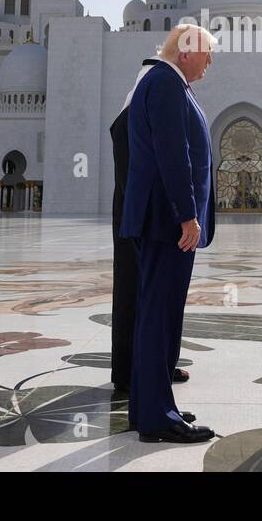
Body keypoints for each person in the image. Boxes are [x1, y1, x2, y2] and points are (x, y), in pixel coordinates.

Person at [120, 23, 218, 443]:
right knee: (160, 317)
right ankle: (158, 417)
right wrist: (187, 216)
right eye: (207, 53)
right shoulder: (164, 84)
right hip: (166, 222)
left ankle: (151, 407)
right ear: (185, 51)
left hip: (160, 219)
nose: (210, 62)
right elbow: (172, 155)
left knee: (156, 316)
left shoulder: (166, 83)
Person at [109, 56, 196, 390]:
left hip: (147, 217)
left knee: (154, 296)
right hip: (143, 221)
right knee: (137, 294)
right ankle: (132, 373)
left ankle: (156, 363)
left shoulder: (136, 111)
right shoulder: (136, 113)